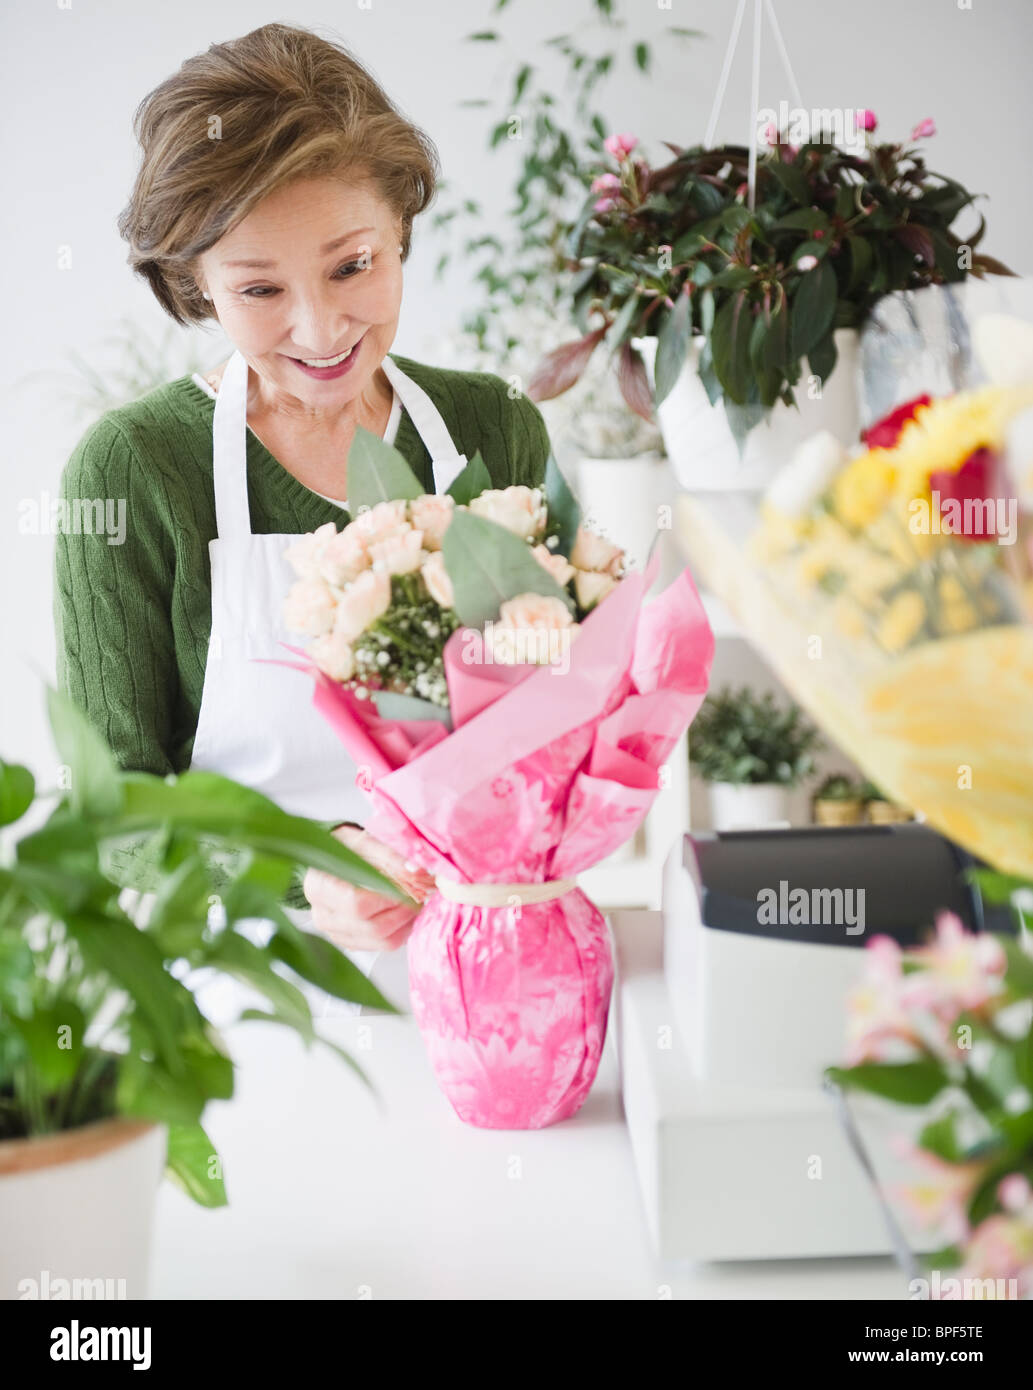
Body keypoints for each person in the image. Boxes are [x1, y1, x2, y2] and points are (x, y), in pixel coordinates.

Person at [53, 22, 552, 962]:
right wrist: (311, 873)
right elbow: (117, 817)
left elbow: (544, 717)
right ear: (195, 286)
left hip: (484, 940)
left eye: (351, 265)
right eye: (258, 290)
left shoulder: (493, 428)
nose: (321, 328)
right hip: (248, 978)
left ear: (399, 229)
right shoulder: (133, 469)